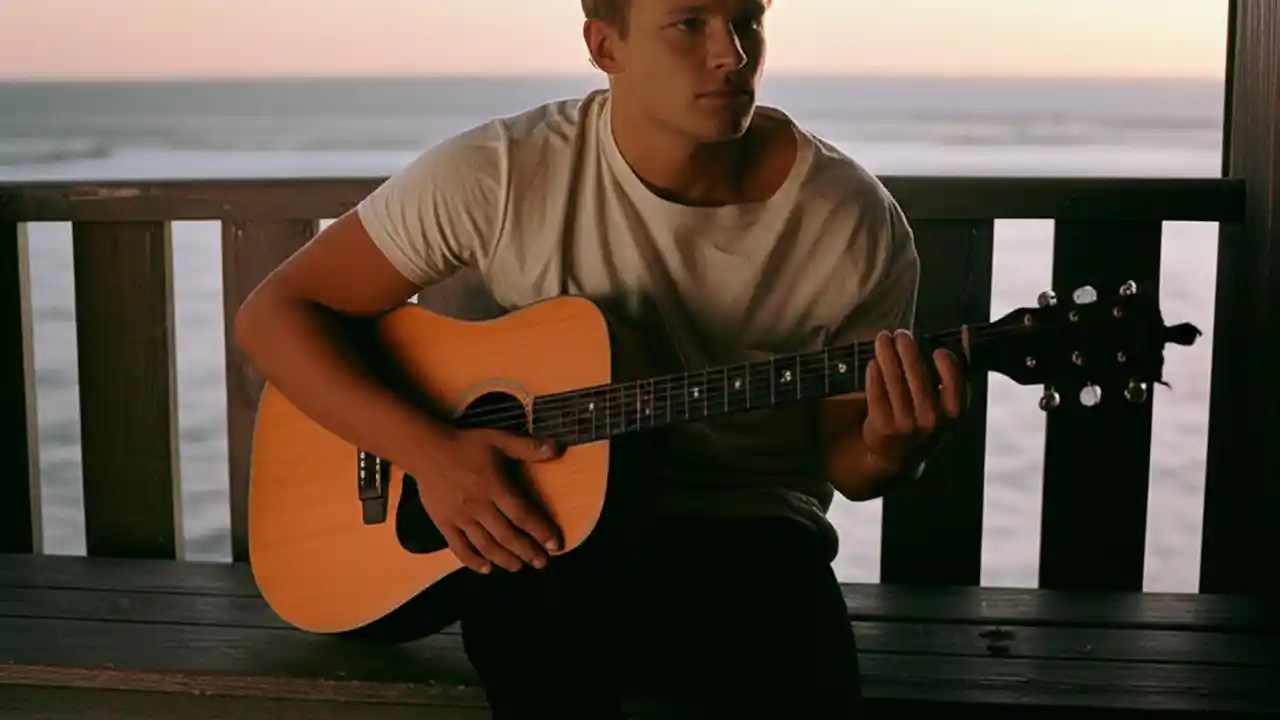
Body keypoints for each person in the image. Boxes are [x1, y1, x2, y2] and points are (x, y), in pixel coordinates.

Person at [235, 0, 969, 716]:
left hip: (749, 536)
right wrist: (429, 453)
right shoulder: (505, 170)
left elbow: (846, 459)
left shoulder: (850, 221)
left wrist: (890, 447)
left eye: (747, 21)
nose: (733, 55)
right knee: (531, 588)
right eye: (689, 23)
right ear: (604, 46)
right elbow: (275, 315)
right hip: (542, 528)